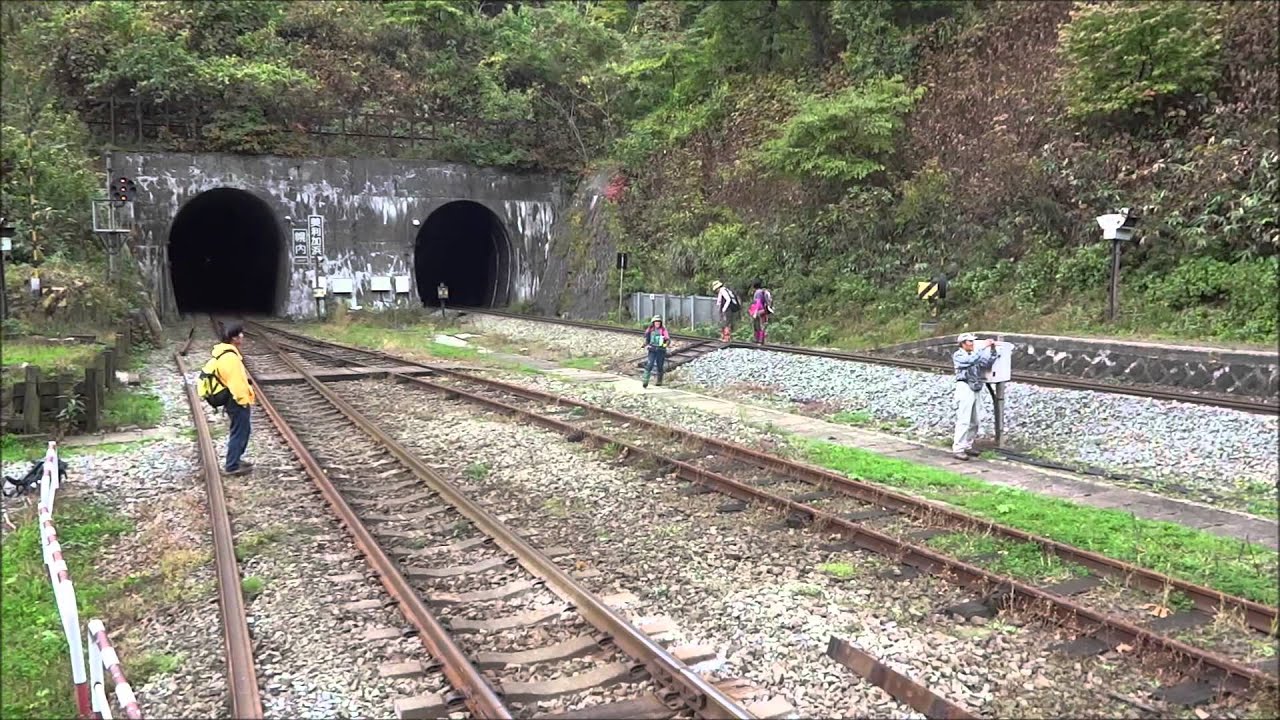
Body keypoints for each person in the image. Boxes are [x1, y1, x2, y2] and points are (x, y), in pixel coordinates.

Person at [211, 322, 256, 475]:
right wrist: (242, 401)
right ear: (233, 338)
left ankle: (235, 460)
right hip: (236, 400)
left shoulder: (226, 353)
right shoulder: (230, 358)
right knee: (240, 432)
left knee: (242, 430)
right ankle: (232, 466)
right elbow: (235, 382)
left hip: (233, 399)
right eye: (240, 333)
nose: (242, 336)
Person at [951, 332, 998, 461]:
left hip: (976, 386)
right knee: (964, 419)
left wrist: (993, 349)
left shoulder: (975, 354)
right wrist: (982, 347)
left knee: (975, 420)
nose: (972, 344)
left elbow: (987, 363)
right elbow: (970, 361)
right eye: (970, 341)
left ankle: (967, 445)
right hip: (965, 386)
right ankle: (958, 448)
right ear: (963, 344)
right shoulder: (959, 355)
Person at [641, 315, 671, 388]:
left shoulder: (663, 330)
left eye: (659, 322)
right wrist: (645, 344)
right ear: (653, 323)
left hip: (661, 350)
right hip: (652, 350)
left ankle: (659, 381)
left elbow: (667, 340)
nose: (657, 323)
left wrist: (665, 345)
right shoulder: (650, 330)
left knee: (660, 366)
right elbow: (647, 339)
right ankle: (645, 381)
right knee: (649, 364)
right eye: (656, 322)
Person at [748, 278, 773, 345]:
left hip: (760, 310)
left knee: (758, 325)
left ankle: (759, 340)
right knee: (760, 325)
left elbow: (758, 302)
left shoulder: (758, 292)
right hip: (763, 310)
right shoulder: (761, 291)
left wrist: (755, 312)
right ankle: (760, 340)